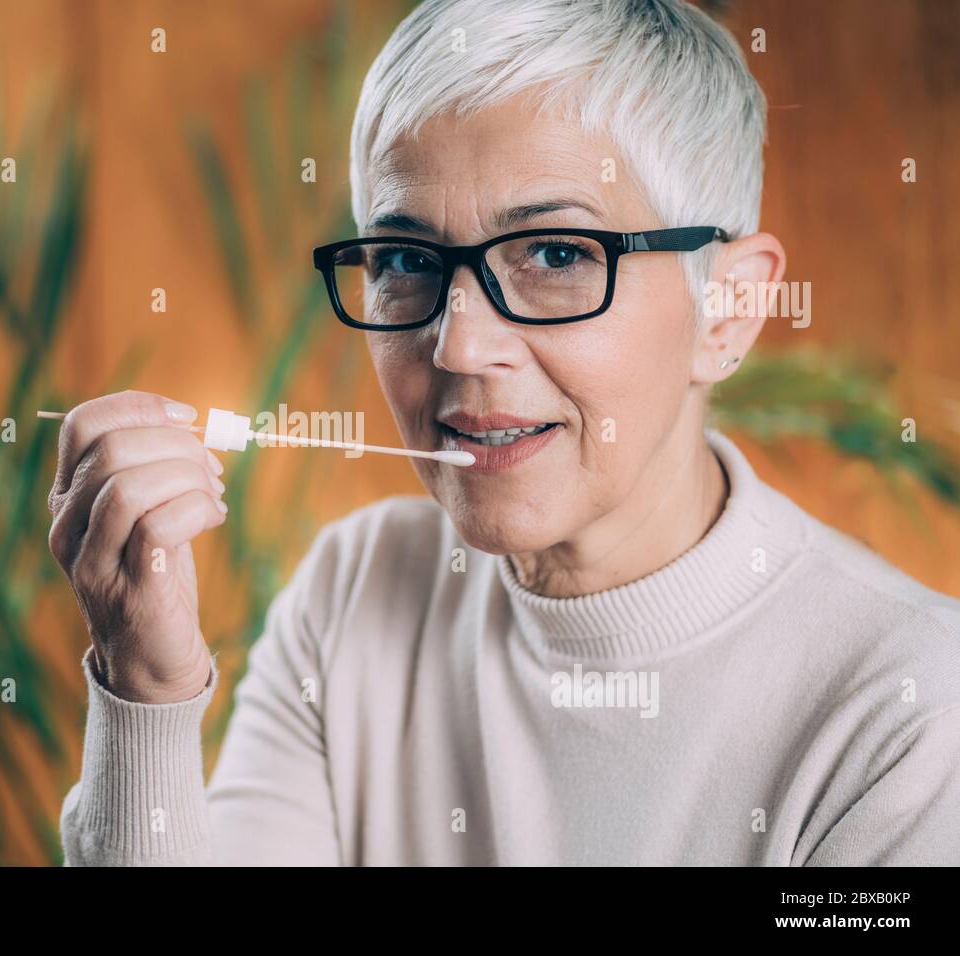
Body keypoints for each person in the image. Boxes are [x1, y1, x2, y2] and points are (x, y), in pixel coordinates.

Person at [50, 0, 960, 865]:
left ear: (728, 307)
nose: (461, 344)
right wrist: (147, 692)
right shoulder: (354, 596)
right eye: (407, 260)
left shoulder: (910, 712)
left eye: (558, 255)